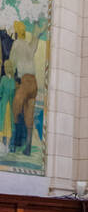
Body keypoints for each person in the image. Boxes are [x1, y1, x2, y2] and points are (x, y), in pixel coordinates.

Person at [9, 18, 45, 157]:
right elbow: (35, 41)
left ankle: (13, 143)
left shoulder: (17, 44)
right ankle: (28, 146)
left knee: (15, 109)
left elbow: (11, 62)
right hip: (34, 83)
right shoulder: (30, 46)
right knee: (29, 114)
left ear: (17, 32)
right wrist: (37, 29)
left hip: (24, 81)